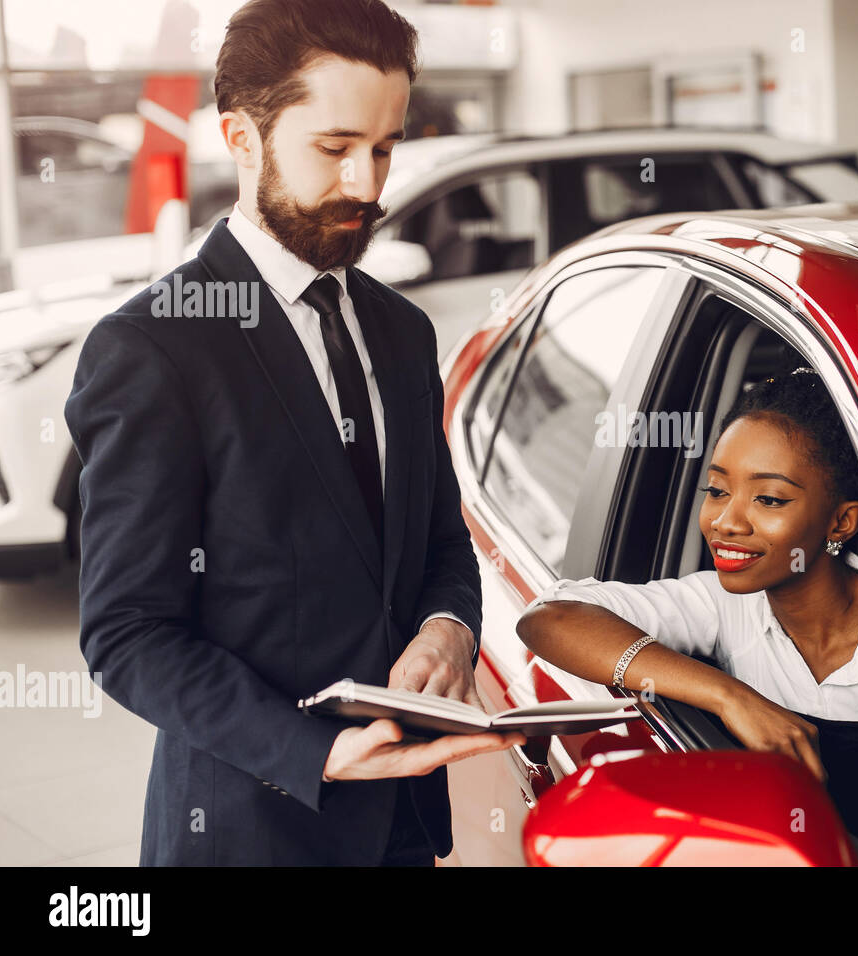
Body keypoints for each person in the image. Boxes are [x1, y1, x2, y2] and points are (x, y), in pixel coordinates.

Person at [64, 0, 523, 866]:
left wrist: (447, 629)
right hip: (248, 836)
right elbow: (127, 635)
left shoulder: (402, 331)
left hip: (408, 830)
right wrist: (313, 752)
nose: (368, 185)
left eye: (384, 149)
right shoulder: (152, 348)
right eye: (336, 147)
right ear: (241, 136)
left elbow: (439, 543)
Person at [517, 369, 858, 865]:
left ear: (841, 521)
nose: (726, 522)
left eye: (769, 499)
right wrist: (728, 695)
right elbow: (548, 619)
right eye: (716, 491)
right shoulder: (722, 604)